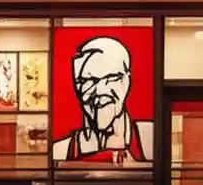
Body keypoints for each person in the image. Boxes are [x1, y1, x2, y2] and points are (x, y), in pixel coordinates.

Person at [52, 36, 153, 164]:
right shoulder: (60, 151)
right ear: (77, 87)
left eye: (111, 78)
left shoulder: (149, 139)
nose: (99, 90)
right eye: (88, 81)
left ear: (126, 81)